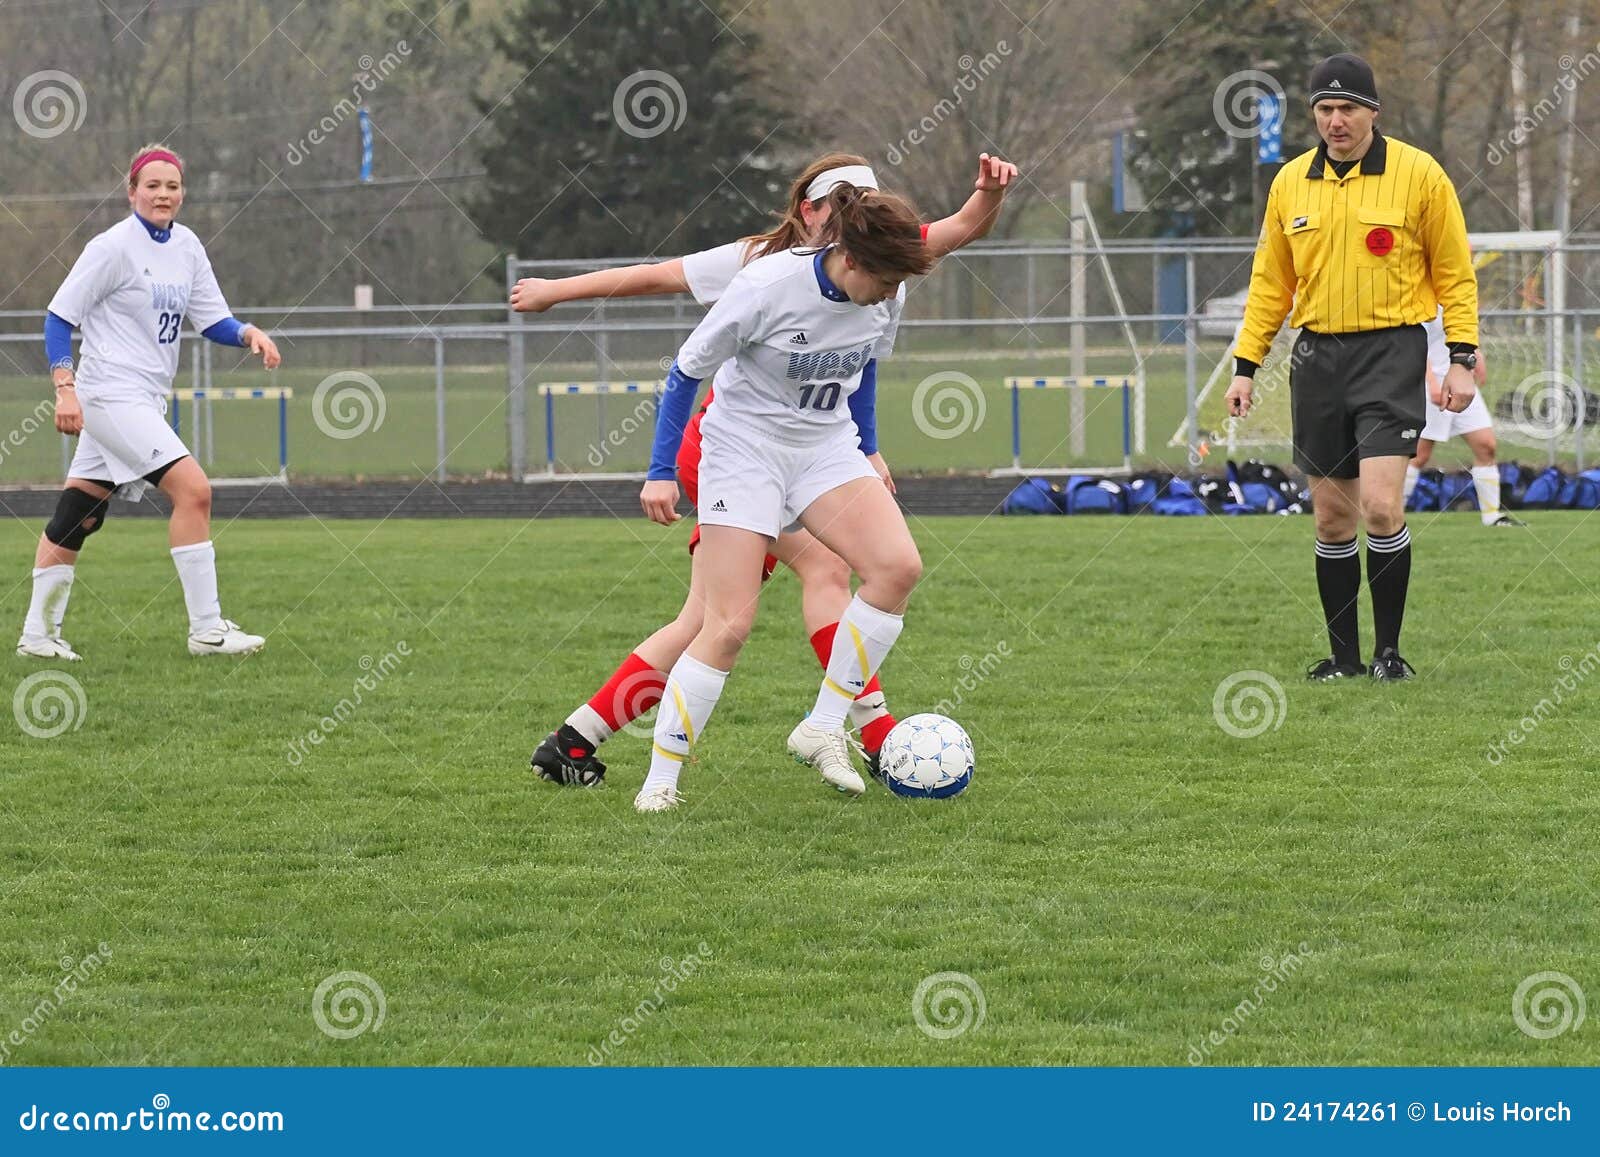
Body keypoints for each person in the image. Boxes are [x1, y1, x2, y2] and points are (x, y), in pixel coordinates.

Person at [519, 152, 1017, 786]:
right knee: (792, 584)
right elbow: (656, 281)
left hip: (816, 445)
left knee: (709, 619)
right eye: (838, 204)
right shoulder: (757, 265)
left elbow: (946, 244)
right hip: (725, 449)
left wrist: (865, 443)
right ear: (809, 214)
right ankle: (862, 729)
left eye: (861, 201)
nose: (849, 214)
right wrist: (555, 293)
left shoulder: (887, 257)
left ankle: (577, 739)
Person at [632, 186, 934, 811]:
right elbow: (687, 371)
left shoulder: (887, 288)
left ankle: (823, 725)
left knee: (897, 568)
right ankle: (659, 784)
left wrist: (869, 448)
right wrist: (661, 470)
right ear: (850, 258)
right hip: (744, 453)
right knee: (729, 626)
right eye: (884, 279)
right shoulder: (766, 287)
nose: (890, 293)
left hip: (825, 448)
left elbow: (867, 364)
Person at [1226, 53, 1480, 682]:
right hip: (1316, 359)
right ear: (1313, 113)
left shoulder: (1419, 175)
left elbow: (1455, 273)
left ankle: (1389, 654)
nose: (1336, 121)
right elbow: (1269, 285)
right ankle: (1343, 659)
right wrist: (1245, 366)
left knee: (1379, 508)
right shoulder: (1290, 183)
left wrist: (1462, 358)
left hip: (1392, 354)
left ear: (1373, 112)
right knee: (1332, 516)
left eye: (1347, 109)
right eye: (1324, 109)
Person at [17, 144, 281, 661]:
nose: (164, 194)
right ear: (132, 191)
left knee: (79, 513)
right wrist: (65, 389)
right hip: (108, 393)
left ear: (183, 193)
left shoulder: (186, 247)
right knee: (194, 491)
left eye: (173, 186)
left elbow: (211, 320)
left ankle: (37, 635)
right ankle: (207, 630)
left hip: (141, 399)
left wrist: (247, 332)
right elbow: (58, 319)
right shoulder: (111, 247)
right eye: (153, 185)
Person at [1404, 307, 1525, 527]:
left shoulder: (1457, 293)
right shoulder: (1422, 296)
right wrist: (1431, 382)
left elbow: (1461, 330)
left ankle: (1492, 517)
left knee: (1486, 445)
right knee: (1419, 455)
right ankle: (1392, 515)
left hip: (1460, 380)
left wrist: (1476, 355)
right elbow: (1414, 347)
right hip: (1432, 384)